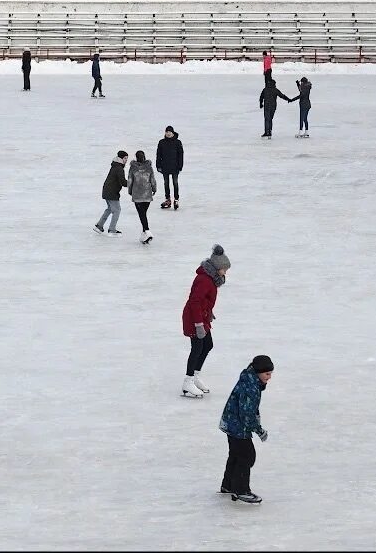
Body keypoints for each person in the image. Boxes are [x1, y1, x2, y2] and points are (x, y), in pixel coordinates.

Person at [219, 355, 273, 504]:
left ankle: (228, 485)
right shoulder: (251, 387)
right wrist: (259, 429)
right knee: (247, 456)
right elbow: (247, 413)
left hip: (231, 422)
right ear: (258, 372)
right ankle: (241, 489)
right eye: (267, 374)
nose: (269, 377)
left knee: (236, 455)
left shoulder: (250, 380)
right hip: (237, 425)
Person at [181, 244, 230, 398]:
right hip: (194, 318)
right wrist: (198, 324)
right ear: (216, 267)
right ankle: (187, 382)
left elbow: (204, 301)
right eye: (224, 269)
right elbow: (195, 302)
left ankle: (195, 376)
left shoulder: (211, 279)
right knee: (197, 348)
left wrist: (209, 312)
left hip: (202, 317)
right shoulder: (204, 280)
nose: (225, 272)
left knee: (208, 345)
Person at [93, 150, 128, 235]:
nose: (126, 160)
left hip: (107, 190)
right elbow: (123, 182)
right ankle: (112, 229)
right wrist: (133, 182)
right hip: (111, 192)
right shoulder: (119, 168)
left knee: (109, 209)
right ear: (121, 158)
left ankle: (99, 226)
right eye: (125, 158)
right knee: (117, 210)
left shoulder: (115, 165)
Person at [127, 150, 157, 245]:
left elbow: (130, 180)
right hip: (147, 194)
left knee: (142, 214)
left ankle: (147, 231)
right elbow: (152, 180)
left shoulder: (133, 168)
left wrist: (129, 191)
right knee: (143, 213)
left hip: (137, 194)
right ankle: (144, 233)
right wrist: (154, 189)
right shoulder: (149, 167)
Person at [156, 125, 183, 210]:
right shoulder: (161, 142)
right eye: (166, 132)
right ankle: (167, 199)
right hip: (165, 167)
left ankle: (176, 199)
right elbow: (158, 155)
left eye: (169, 132)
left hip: (175, 167)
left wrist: (180, 166)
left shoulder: (178, 142)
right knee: (166, 183)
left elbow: (181, 155)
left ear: (172, 133)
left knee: (175, 182)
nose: (168, 133)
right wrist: (158, 165)